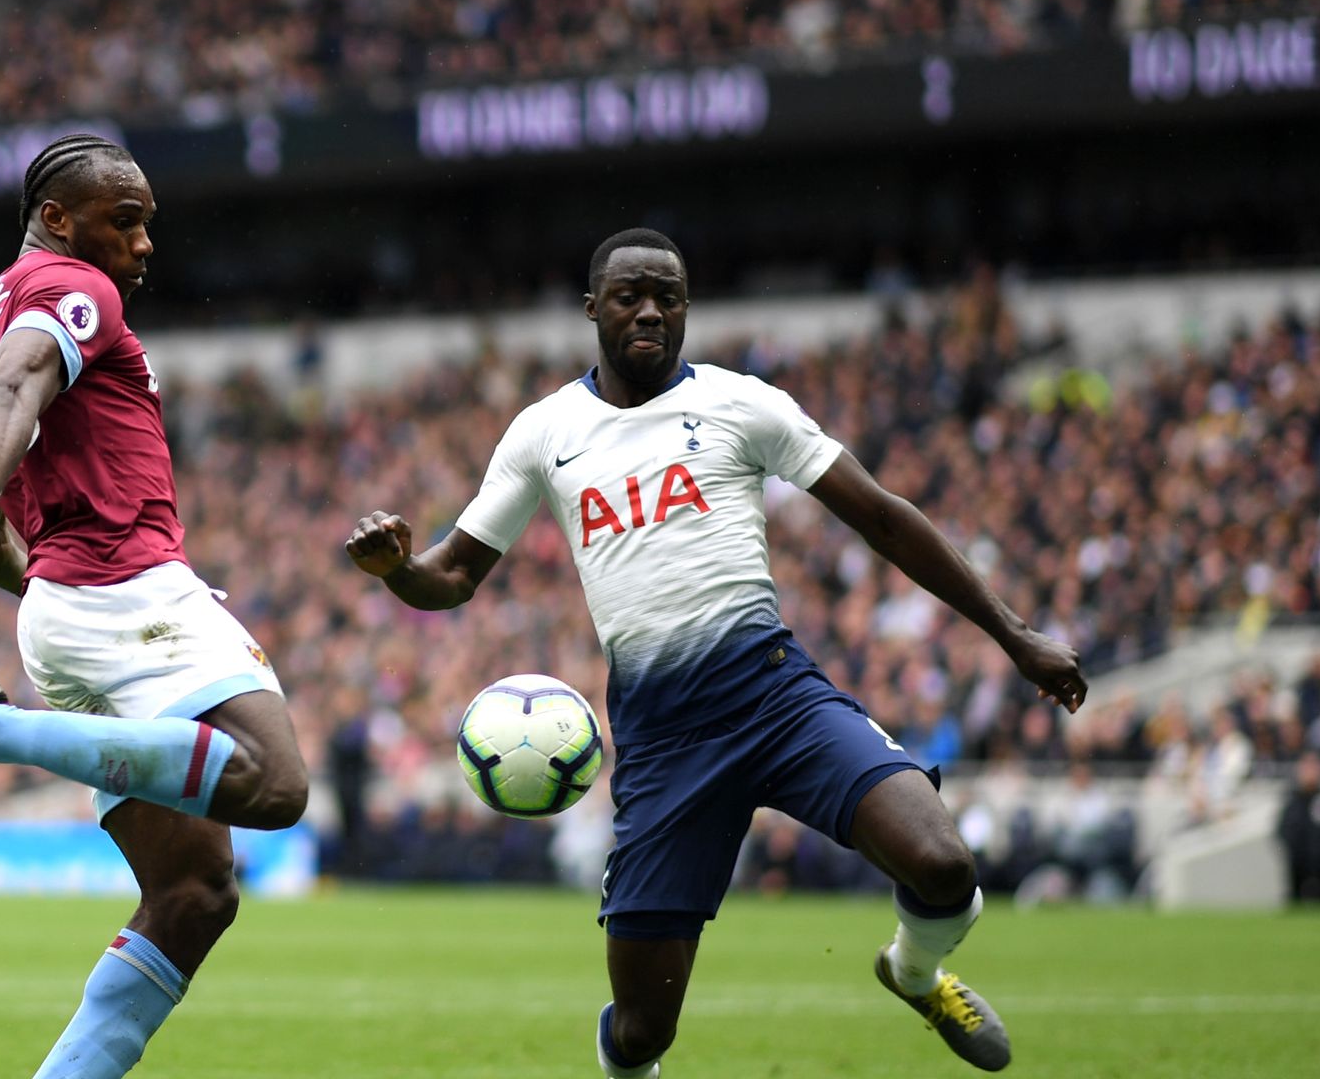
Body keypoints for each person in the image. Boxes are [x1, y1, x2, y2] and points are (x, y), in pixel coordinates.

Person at [345, 229, 1087, 1076]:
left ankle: (914, 973)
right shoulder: (544, 432)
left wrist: (1014, 634)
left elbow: (882, 516)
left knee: (944, 864)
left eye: (669, 295)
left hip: (776, 700)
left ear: (688, 307)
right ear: (594, 309)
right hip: (665, 745)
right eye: (630, 295)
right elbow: (454, 575)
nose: (651, 310)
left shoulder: (742, 404)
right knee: (642, 1031)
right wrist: (397, 570)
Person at [0, 133, 308, 1079]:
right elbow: (21, 392)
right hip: (129, 588)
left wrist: (5, 556)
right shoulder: (69, 290)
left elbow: (16, 486)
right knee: (274, 784)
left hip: (64, 605)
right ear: (58, 220)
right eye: (123, 221)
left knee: (193, 893)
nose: (141, 246)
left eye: (147, 226)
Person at [1277, 751, 1320, 902]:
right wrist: (1292, 850)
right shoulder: (1292, 799)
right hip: (1297, 865)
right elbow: (1282, 830)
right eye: (1306, 766)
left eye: (1314, 766)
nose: (1310, 771)